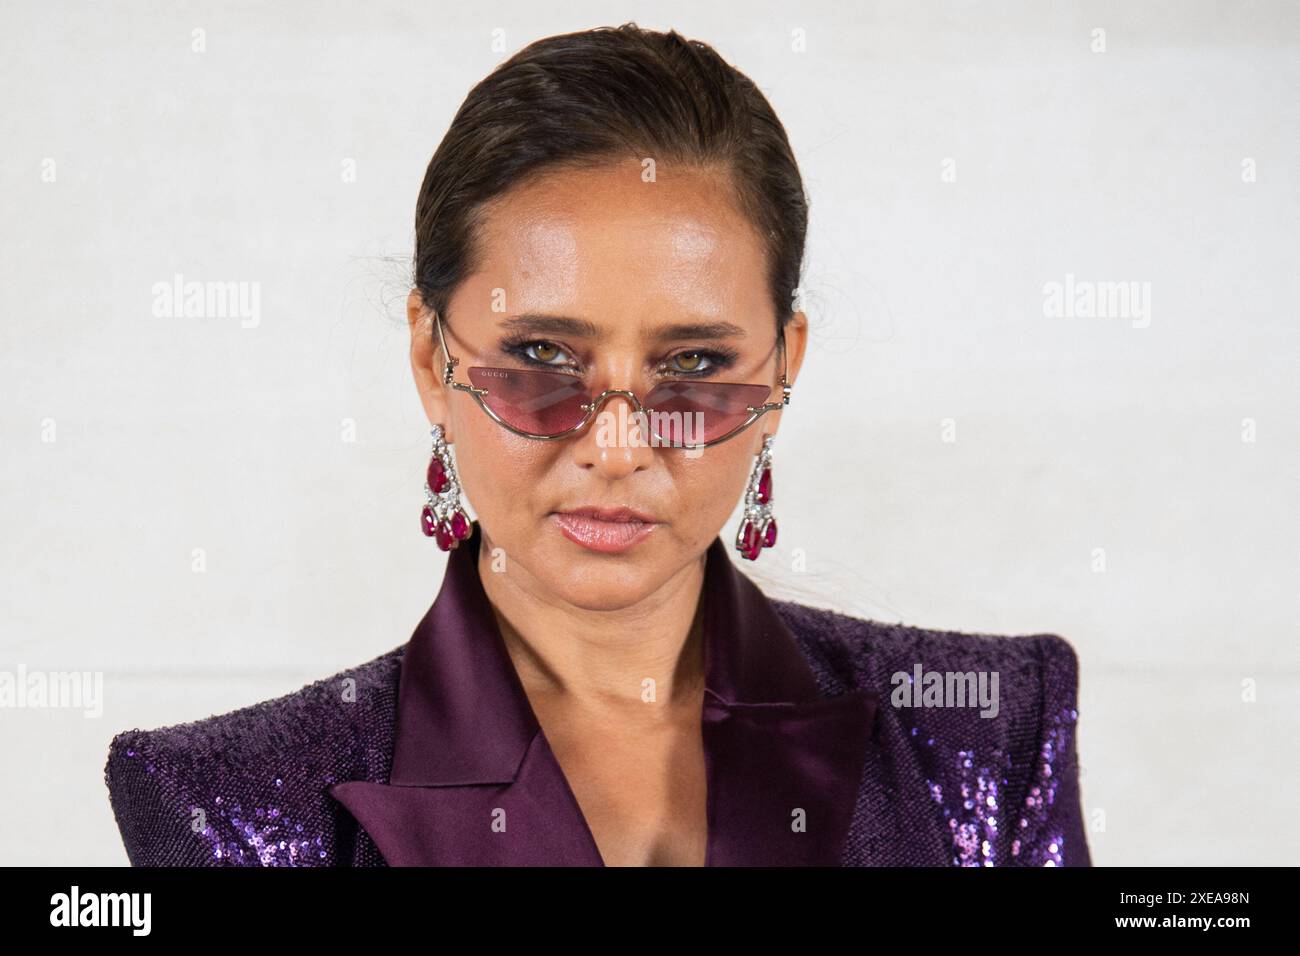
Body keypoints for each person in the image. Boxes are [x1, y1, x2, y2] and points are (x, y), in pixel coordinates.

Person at [105, 22, 1090, 867]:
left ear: (783, 364)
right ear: (428, 354)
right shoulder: (227, 801)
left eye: (696, 365)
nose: (617, 448)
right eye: (540, 356)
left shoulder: (983, 730)